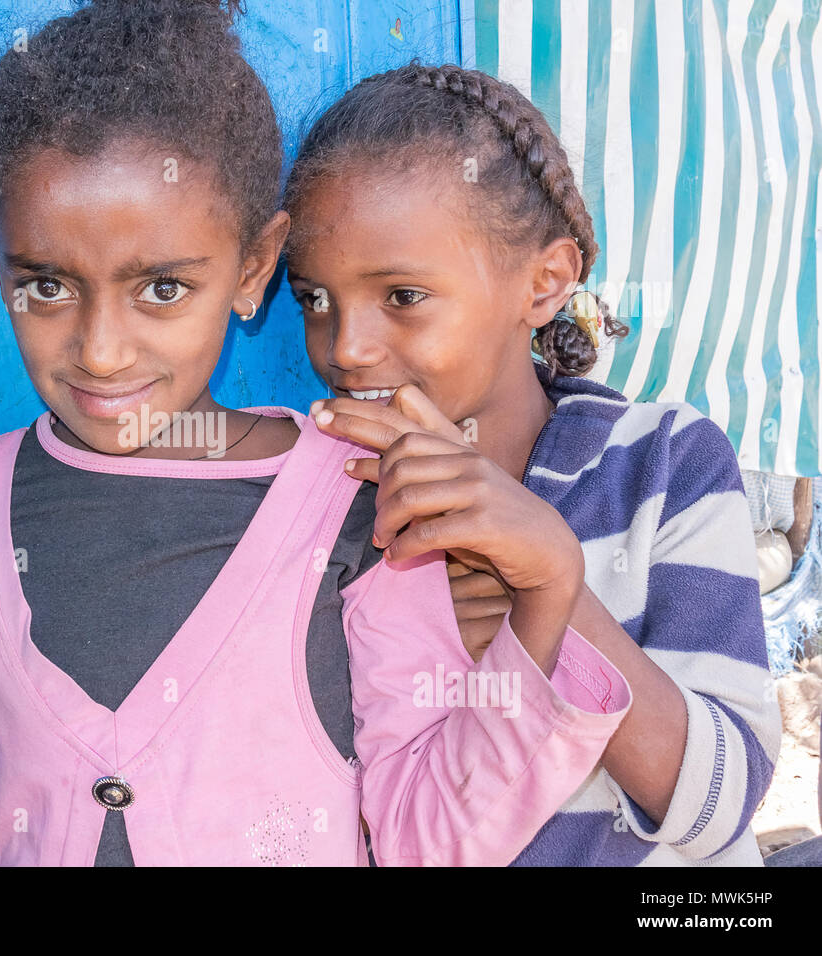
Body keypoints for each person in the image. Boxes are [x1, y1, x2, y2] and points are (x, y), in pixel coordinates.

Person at [0, 4, 627, 867]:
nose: (100, 351)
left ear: (254, 271)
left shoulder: (356, 493)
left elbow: (428, 839)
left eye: (163, 288)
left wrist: (550, 594)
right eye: (47, 286)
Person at [283, 62, 780, 865]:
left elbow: (720, 808)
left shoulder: (663, 464)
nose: (345, 348)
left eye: (403, 296)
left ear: (544, 282)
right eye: (315, 299)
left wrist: (552, 595)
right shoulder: (329, 496)